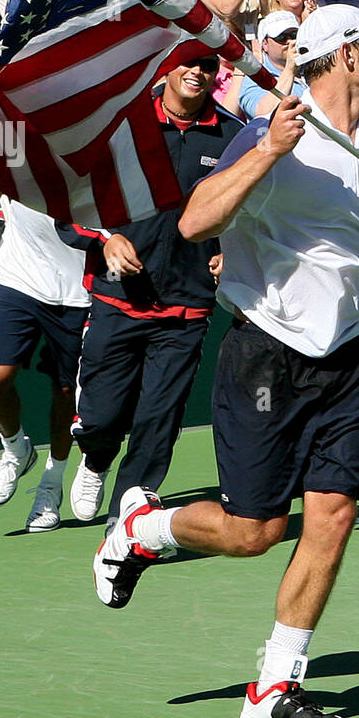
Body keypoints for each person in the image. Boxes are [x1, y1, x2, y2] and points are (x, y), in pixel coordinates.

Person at [91, 4, 359, 718]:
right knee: (255, 531)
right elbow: (195, 222)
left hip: (349, 357)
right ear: (344, 55)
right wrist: (269, 150)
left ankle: (274, 686)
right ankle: (143, 530)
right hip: (266, 353)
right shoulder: (272, 131)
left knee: (333, 517)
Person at [62, 53, 244, 530]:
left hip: (187, 305)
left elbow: (249, 206)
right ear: (167, 67)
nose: (198, 72)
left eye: (208, 65)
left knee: (158, 419)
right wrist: (105, 239)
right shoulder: (119, 124)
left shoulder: (232, 136)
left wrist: (233, 250)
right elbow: (69, 201)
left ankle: (128, 517)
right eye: (188, 62)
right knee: (101, 418)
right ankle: (96, 460)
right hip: (118, 299)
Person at [0, 184, 89, 532]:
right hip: (17, 277)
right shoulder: (19, 147)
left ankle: (51, 485)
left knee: (66, 392)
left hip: (78, 289)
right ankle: (15, 451)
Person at [240, 9, 306, 118]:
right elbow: (263, 114)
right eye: (281, 37)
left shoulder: (313, 65)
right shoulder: (255, 77)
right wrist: (289, 70)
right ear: (265, 44)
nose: (290, 41)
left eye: (294, 35)